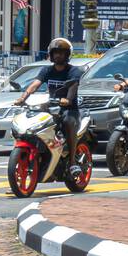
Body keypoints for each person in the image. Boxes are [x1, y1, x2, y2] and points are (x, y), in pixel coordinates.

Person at [14, 37, 85, 179]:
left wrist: (68, 99)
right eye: (56, 52)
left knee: (68, 122)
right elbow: (35, 84)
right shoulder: (47, 70)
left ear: (67, 55)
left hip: (69, 109)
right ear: (51, 55)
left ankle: (72, 162)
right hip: (51, 107)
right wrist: (23, 98)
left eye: (61, 53)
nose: (58, 55)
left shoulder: (73, 71)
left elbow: (73, 86)